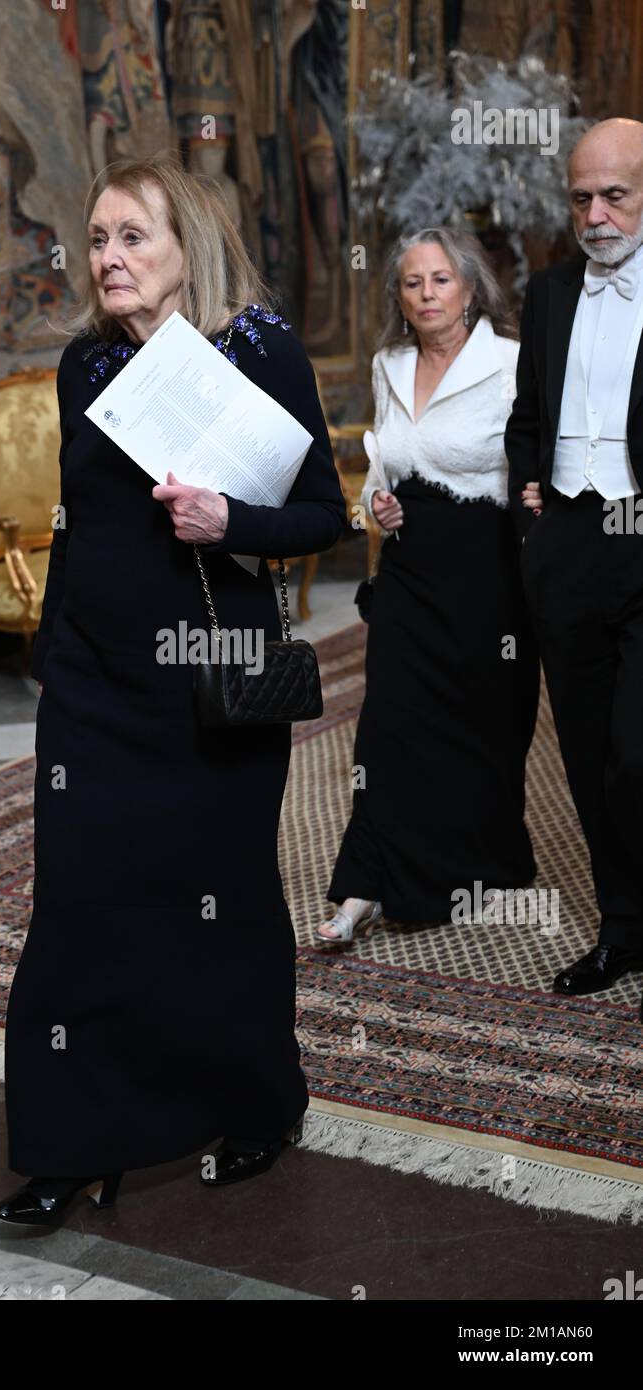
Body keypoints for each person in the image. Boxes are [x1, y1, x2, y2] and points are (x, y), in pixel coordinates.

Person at [0, 153, 347, 1225]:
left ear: (184, 246)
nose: (106, 257)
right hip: (95, 693)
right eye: (95, 239)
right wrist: (55, 664)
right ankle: (71, 1143)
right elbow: (82, 527)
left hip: (214, 685)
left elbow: (323, 513)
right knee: (79, 909)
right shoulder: (81, 367)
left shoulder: (255, 348)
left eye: (129, 237)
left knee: (220, 908)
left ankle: (254, 1105)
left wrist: (228, 524)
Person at [319, 226, 540, 939]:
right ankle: (367, 882)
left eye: (441, 279)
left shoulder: (512, 362)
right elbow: (383, 471)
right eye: (412, 283)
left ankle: (488, 863)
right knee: (389, 723)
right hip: (410, 570)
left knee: (486, 727)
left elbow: (531, 464)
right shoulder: (388, 364)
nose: (426, 294)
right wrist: (374, 507)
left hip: (489, 572)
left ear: (471, 289)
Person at [505, 118, 643, 1015]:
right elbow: (526, 416)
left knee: (638, 756)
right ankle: (622, 930)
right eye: (582, 197)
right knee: (589, 759)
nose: (595, 214)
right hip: (566, 547)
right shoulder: (551, 292)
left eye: (615, 195)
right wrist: (527, 489)